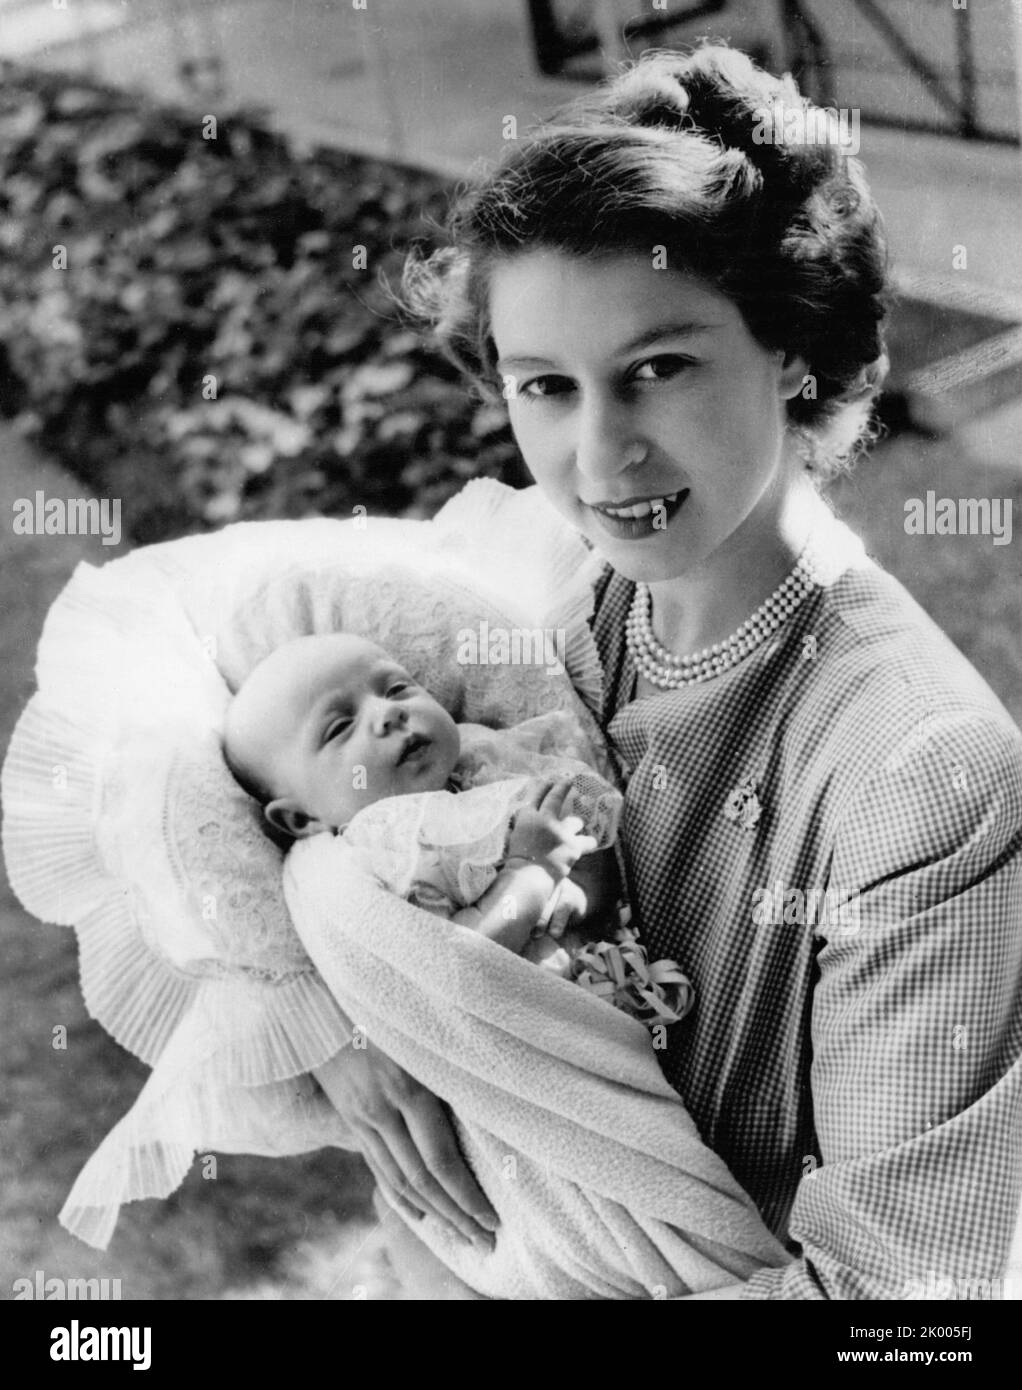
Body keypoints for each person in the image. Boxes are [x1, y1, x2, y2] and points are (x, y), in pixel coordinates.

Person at [311, 43, 1022, 1298]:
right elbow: (257, 769)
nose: (599, 458)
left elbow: (903, 1304)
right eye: (545, 386)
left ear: (792, 352)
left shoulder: (920, 774)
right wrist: (342, 1020)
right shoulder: (563, 612)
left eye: (657, 369)